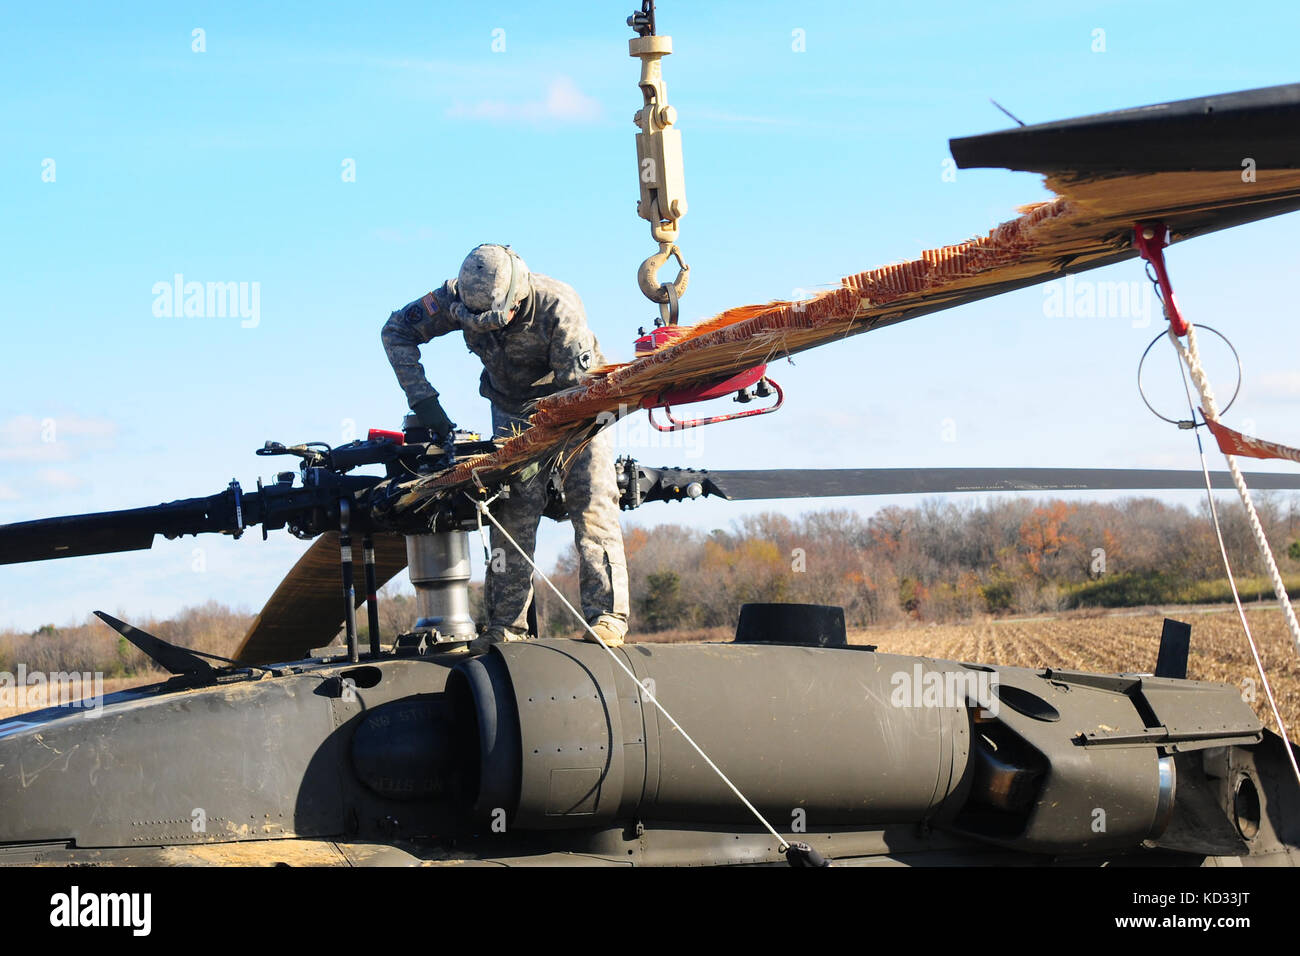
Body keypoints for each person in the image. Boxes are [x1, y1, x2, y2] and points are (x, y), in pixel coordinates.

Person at [381, 243, 630, 652]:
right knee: (511, 512)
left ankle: (607, 617)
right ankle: (505, 627)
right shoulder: (453, 298)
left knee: (592, 502)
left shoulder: (558, 307)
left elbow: (580, 392)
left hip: (579, 406)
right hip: (512, 409)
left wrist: (548, 442)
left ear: (518, 297)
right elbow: (396, 332)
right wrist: (422, 400)